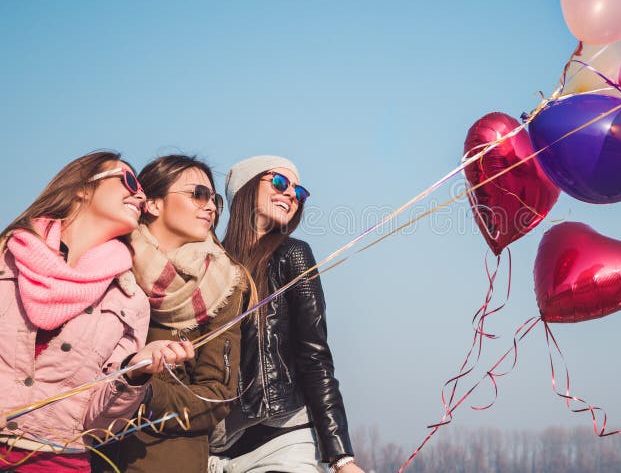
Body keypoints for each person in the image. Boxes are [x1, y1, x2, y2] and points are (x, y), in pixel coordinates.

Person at [0, 151, 194, 473]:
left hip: (56, 460)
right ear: (82, 187)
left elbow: (99, 421)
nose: (140, 195)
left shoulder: (130, 299)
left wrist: (135, 371)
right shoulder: (5, 260)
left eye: (143, 190)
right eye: (129, 181)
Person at [210, 155, 363, 473]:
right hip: (213, 449)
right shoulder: (209, 261)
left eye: (300, 191)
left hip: (282, 438)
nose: (292, 194)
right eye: (279, 182)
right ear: (245, 189)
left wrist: (341, 457)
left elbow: (315, 357)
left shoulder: (292, 254)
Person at [95, 155, 248, 473]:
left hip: (167, 460)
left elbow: (217, 396)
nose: (211, 207)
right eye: (198, 194)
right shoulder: (104, 263)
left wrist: (143, 389)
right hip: (85, 453)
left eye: (214, 199)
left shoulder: (222, 285)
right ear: (152, 203)